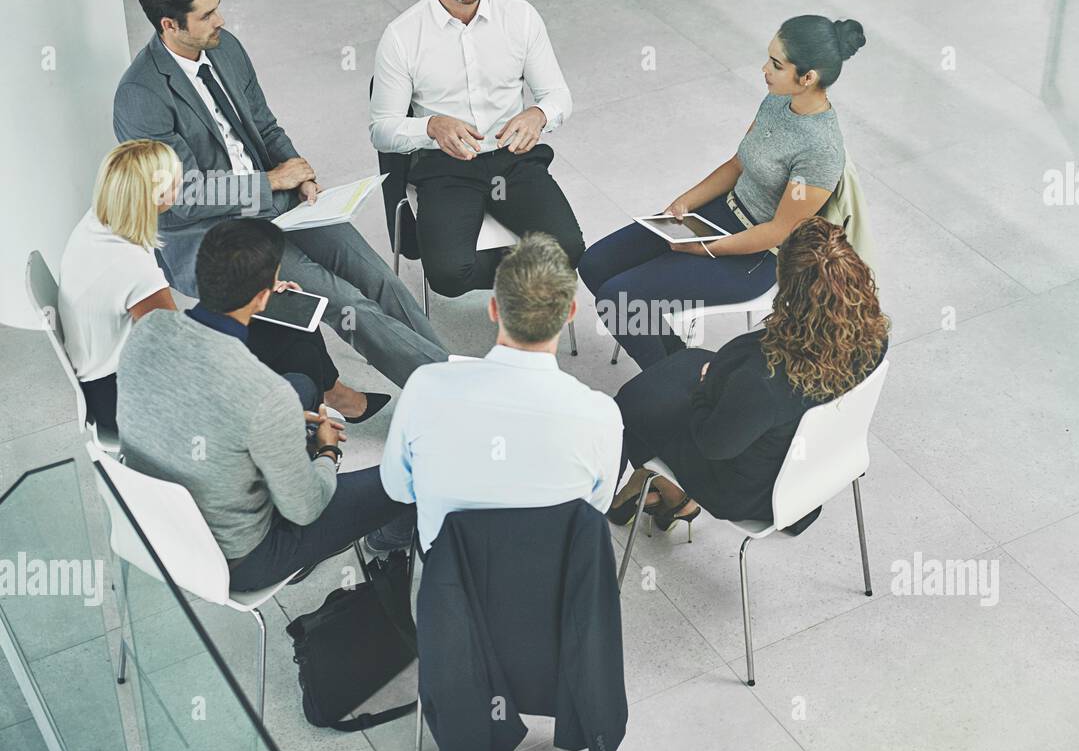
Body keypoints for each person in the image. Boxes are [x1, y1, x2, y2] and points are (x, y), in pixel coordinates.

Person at [113, 0, 448, 387]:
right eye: (209, 14)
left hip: (280, 202)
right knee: (344, 300)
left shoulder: (225, 49)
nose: (222, 21)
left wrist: (298, 171)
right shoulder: (141, 96)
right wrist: (272, 181)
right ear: (170, 25)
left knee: (378, 276)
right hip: (216, 237)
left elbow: (265, 126)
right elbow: (183, 198)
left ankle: (448, 370)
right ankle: (445, 390)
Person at [116, 219, 414, 592]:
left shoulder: (148, 329)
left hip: (163, 525)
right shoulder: (265, 394)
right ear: (262, 297)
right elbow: (307, 507)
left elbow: (197, 402)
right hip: (242, 558)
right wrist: (327, 451)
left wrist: (275, 425)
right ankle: (385, 538)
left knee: (303, 385)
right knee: (415, 474)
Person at [579, 15, 866, 368]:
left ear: (808, 78)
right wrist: (686, 201)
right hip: (717, 214)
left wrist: (707, 248)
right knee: (595, 264)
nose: (764, 69)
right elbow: (737, 164)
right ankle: (679, 363)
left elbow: (779, 230)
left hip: (756, 255)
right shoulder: (778, 101)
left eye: (776, 64)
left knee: (618, 298)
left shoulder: (821, 150)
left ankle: (672, 388)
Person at [58, 140, 388, 432]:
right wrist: (248, 306)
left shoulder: (96, 224)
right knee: (295, 361)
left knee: (292, 325)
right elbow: (184, 352)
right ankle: (305, 433)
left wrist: (251, 297)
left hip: (118, 374)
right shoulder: (131, 265)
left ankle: (331, 399)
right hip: (130, 397)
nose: (182, 185)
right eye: (176, 181)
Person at [610, 216, 889, 533]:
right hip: (816, 466)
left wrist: (704, 388)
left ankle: (665, 492)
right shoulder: (875, 335)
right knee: (681, 368)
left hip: (744, 491)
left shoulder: (761, 370)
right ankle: (659, 489)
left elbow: (713, 445)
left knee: (630, 402)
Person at [369, 0, 584, 298]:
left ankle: (520, 273)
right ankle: (523, 273)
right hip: (446, 166)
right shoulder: (402, 36)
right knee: (449, 276)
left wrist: (539, 113)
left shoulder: (519, 17)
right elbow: (382, 130)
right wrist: (430, 126)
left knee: (569, 250)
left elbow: (558, 96)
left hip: (512, 159)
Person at [381, 233, 621, 554]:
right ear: (570, 312)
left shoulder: (425, 387)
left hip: (450, 569)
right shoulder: (602, 416)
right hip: (547, 574)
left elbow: (399, 489)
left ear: (494, 309)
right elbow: (594, 508)